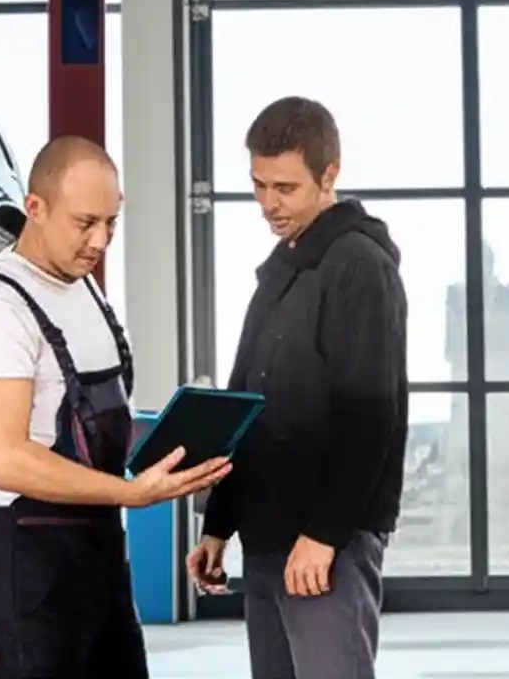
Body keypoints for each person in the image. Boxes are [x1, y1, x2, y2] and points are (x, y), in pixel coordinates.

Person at [0, 135, 231, 678]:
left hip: (97, 561)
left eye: (111, 223)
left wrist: (180, 447)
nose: (100, 241)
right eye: (84, 223)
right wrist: (131, 493)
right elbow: (7, 457)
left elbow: (95, 424)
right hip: (24, 571)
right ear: (35, 208)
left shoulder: (86, 292)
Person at [187, 96, 409, 679]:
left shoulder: (360, 266)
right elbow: (246, 407)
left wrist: (324, 534)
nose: (268, 203)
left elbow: (370, 415)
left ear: (329, 173)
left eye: (284, 187)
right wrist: (218, 523)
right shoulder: (280, 271)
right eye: (259, 185)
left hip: (324, 541)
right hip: (267, 534)